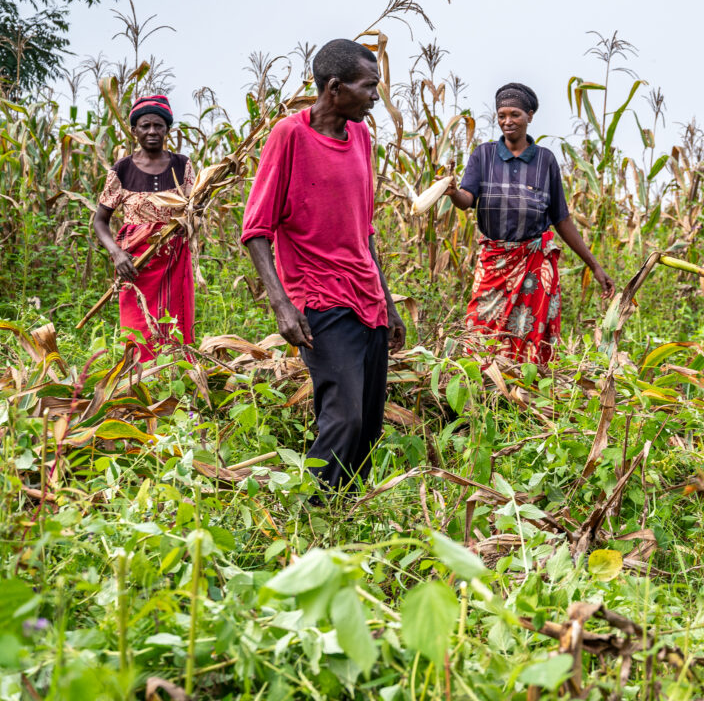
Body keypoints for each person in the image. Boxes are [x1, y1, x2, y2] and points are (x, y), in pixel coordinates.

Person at [240, 38, 407, 493]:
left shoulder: (362, 137)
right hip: (319, 299)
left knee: (368, 425)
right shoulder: (289, 136)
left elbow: (364, 231)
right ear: (335, 87)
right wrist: (282, 306)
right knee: (344, 417)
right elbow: (256, 229)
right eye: (369, 86)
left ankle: (344, 513)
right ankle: (309, 515)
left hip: (366, 297)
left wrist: (388, 304)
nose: (376, 97)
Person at [447, 82, 614, 362]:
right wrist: (453, 192)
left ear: (530, 116)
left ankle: (524, 391)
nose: (507, 121)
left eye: (515, 114)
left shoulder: (545, 161)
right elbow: (467, 199)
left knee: (528, 332)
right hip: (494, 260)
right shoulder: (483, 156)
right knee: (479, 327)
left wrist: (594, 265)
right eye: (501, 115)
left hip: (534, 262)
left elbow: (561, 219)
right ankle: (481, 386)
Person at [93, 94, 196, 362]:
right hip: (135, 261)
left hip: (173, 257)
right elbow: (100, 220)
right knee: (137, 327)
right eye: (145, 126)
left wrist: (187, 223)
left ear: (167, 130)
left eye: (158, 126)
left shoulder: (182, 165)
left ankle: (175, 375)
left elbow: (194, 209)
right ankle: (138, 379)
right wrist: (117, 253)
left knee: (174, 322)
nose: (152, 132)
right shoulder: (123, 169)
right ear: (134, 130)